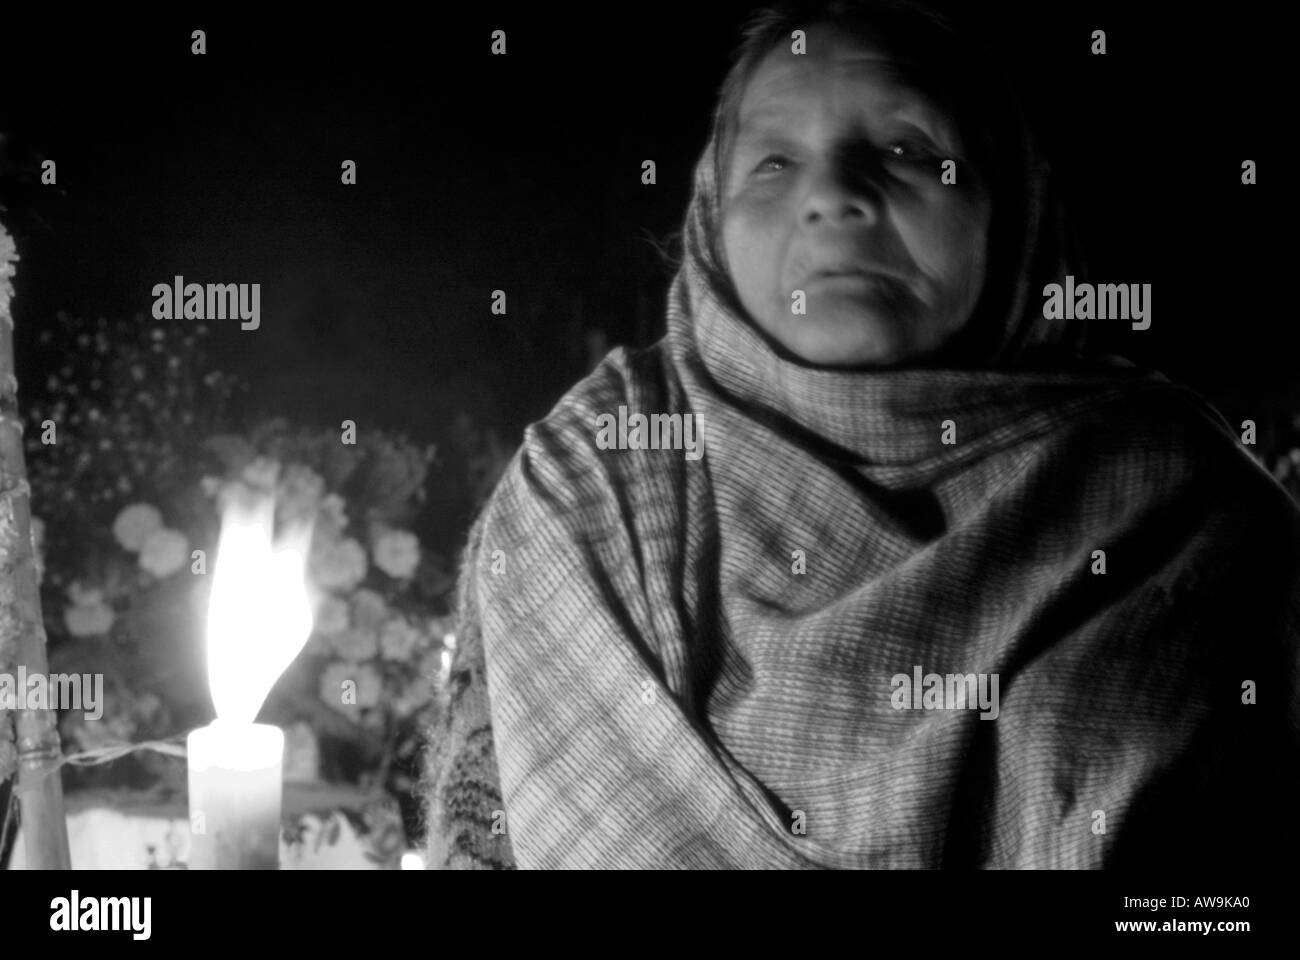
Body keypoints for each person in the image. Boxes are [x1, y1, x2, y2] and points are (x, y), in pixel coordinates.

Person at [420, 0, 1300, 869]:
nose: (835, 194)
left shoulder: (1181, 508)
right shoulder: (593, 479)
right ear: (710, 213)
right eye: (772, 161)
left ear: (1012, 205)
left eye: (908, 151)